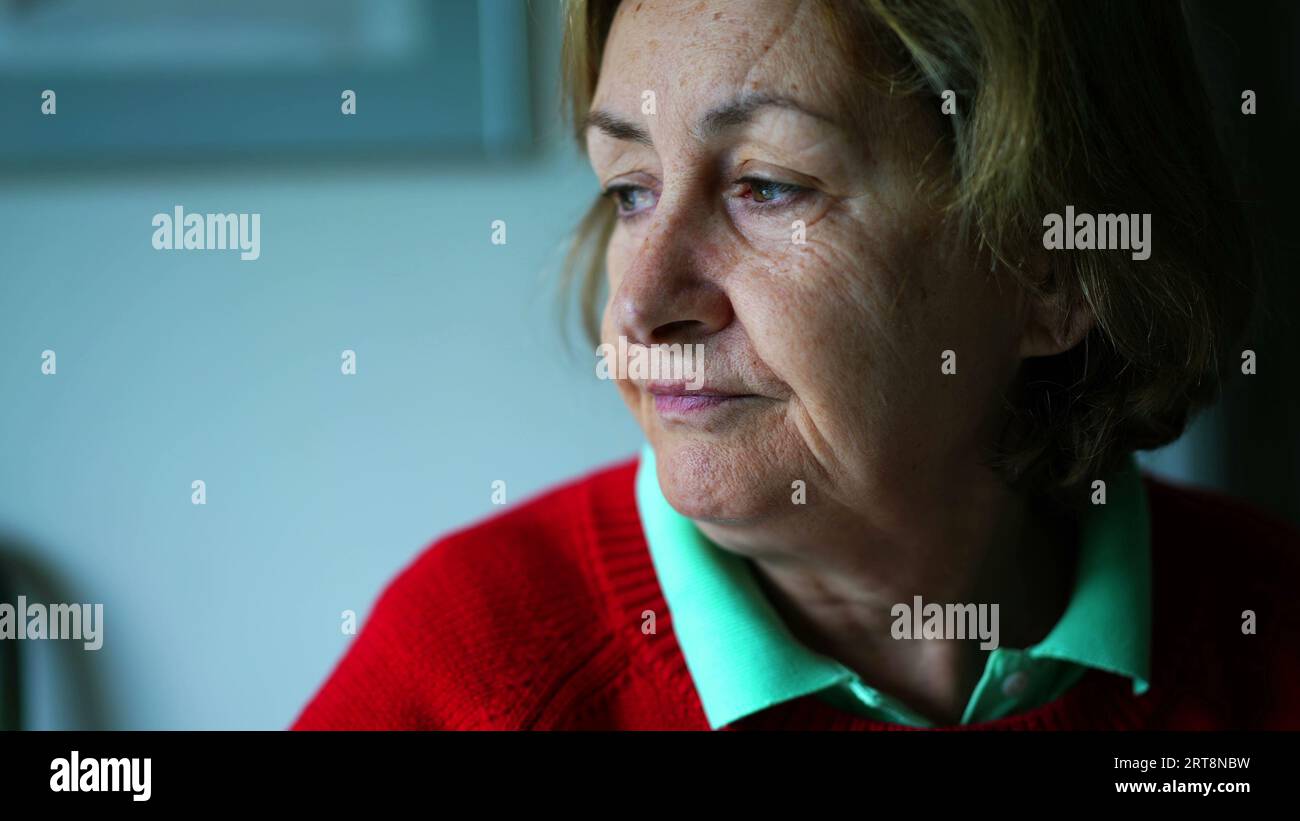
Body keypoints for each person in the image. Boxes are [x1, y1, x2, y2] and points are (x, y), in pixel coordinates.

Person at [293, 0, 1300, 730]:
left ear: (1053, 271)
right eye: (629, 188)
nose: (637, 304)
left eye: (766, 186)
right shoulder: (470, 668)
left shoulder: (1268, 629)